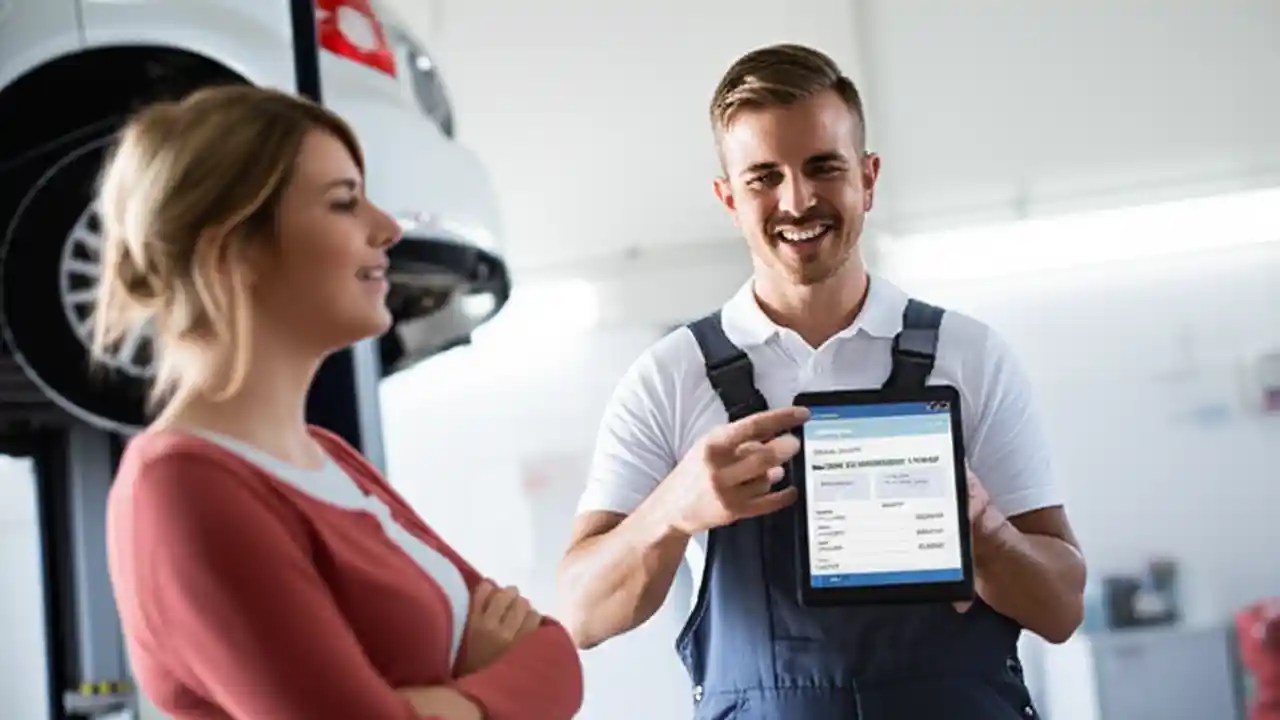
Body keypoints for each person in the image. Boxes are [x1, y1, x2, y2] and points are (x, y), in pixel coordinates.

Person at [557, 43, 1086, 719]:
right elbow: (579, 615)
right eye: (763, 178)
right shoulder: (669, 379)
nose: (797, 199)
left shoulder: (972, 357)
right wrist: (673, 509)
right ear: (728, 198)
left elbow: (1062, 609)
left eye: (823, 167)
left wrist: (985, 532)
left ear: (867, 177)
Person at [95, 85, 583, 720]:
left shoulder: (327, 458)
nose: (387, 227)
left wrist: (440, 703)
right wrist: (477, 687)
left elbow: (555, 654)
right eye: (344, 203)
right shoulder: (184, 488)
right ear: (234, 249)